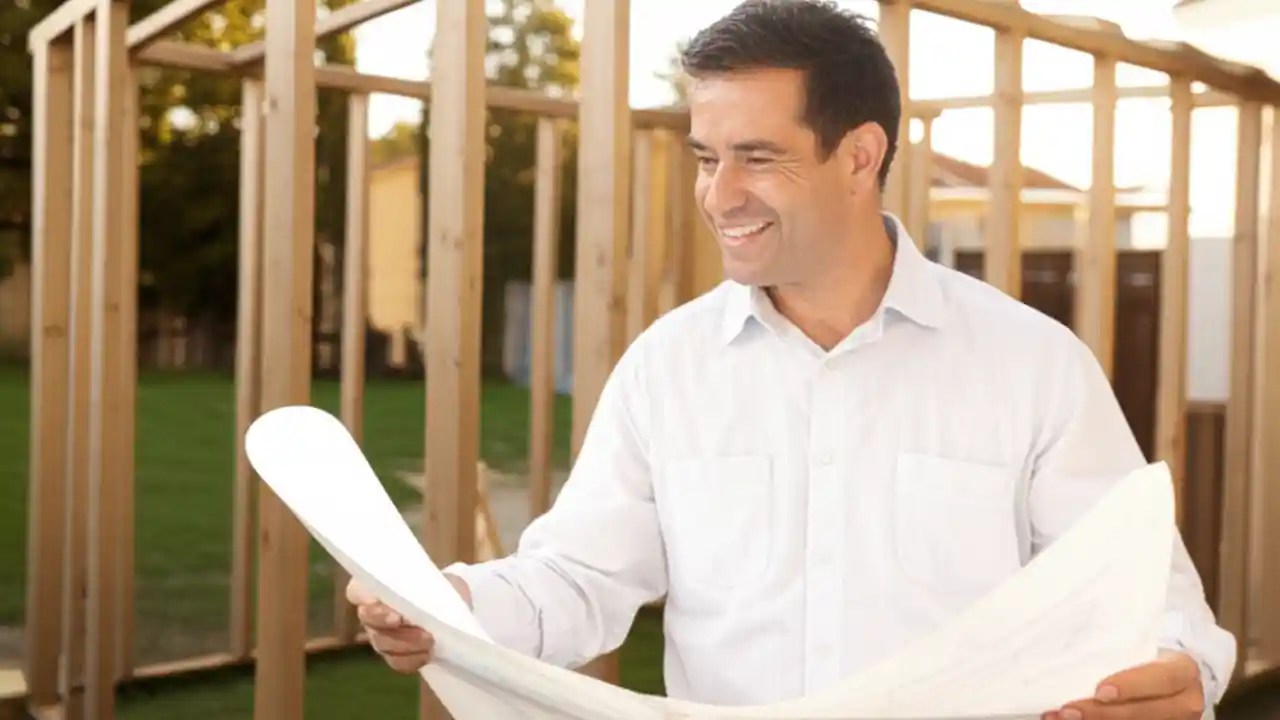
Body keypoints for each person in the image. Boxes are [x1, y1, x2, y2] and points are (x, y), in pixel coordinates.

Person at [348, 1, 1236, 718]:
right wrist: (457, 606)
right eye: (707, 158)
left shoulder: (1034, 365)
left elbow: (1143, 593)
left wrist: (1183, 670)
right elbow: (580, 577)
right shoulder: (667, 368)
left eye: (758, 158)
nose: (719, 195)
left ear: (860, 156)